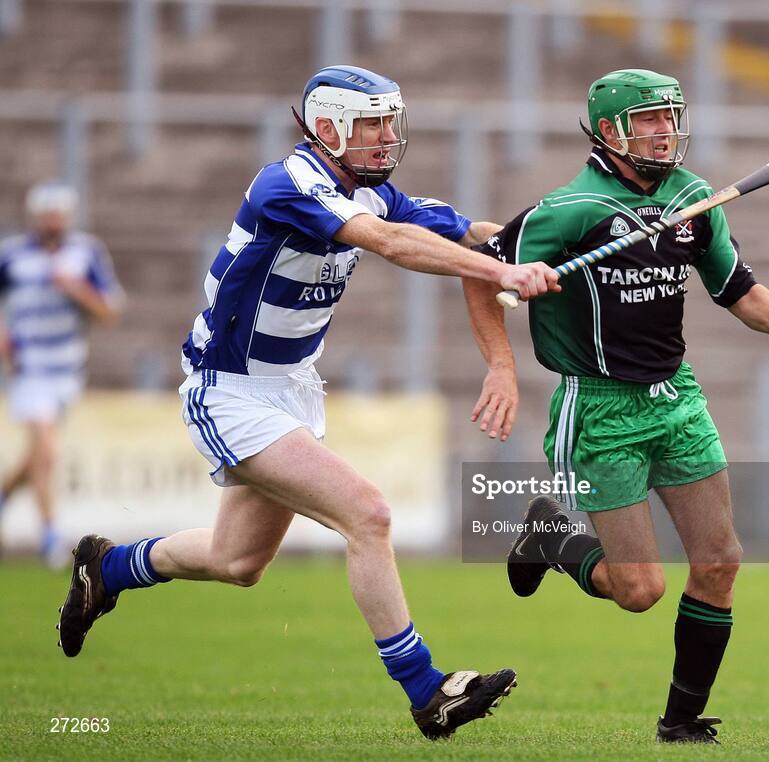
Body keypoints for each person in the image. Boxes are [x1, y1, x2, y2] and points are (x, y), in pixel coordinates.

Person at [56, 65, 559, 739]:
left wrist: (552, 239)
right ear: (327, 130)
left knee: (239, 562)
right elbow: (390, 243)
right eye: (371, 124)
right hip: (230, 391)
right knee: (369, 515)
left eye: (390, 122)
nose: (386, 137)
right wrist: (502, 273)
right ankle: (427, 692)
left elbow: (467, 232)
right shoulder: (288, 183)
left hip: (292, 390)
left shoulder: (371, 192)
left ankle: (108, 567)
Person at [463, 68, 769, 744]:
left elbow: (737, 287)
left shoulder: (696, 199)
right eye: (649, 120)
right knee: (638, 592)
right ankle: (551, 537)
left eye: (672, 117)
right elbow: (478, 267)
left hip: (677, 398)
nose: (665, 131)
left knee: (720, 562)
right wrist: (501, 363)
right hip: (601, 409)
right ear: (609, 132)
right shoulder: (568, 209)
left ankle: (682, 721)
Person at [0, 182, 123, 561]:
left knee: (39, 453)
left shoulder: (85, 253)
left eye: (59, 214)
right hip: (28, 366)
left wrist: (77, 290)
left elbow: (109, 311)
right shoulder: (12, 255)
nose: (53, 221)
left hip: (67, 368)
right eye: (46, 214)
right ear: (36, 217)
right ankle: (51, 536)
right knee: (47, 448)